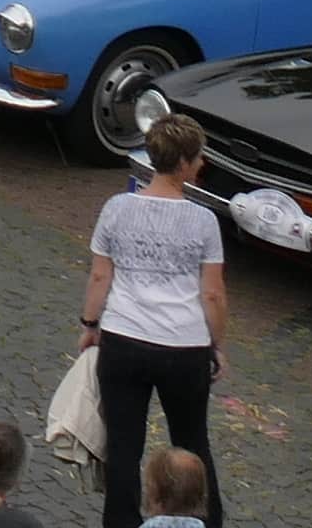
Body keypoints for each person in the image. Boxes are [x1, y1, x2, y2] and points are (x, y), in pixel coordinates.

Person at [81, 110, 230, 528]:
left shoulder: (116, 208)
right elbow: (213, 293)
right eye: (198, 156)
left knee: (124, 448)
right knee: (193, 442)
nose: (202, 163)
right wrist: (216, 344)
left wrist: (90, 326)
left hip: (124, 339)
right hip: (184, 347)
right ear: (183, 162)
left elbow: (99, 275)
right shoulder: (204, 221)